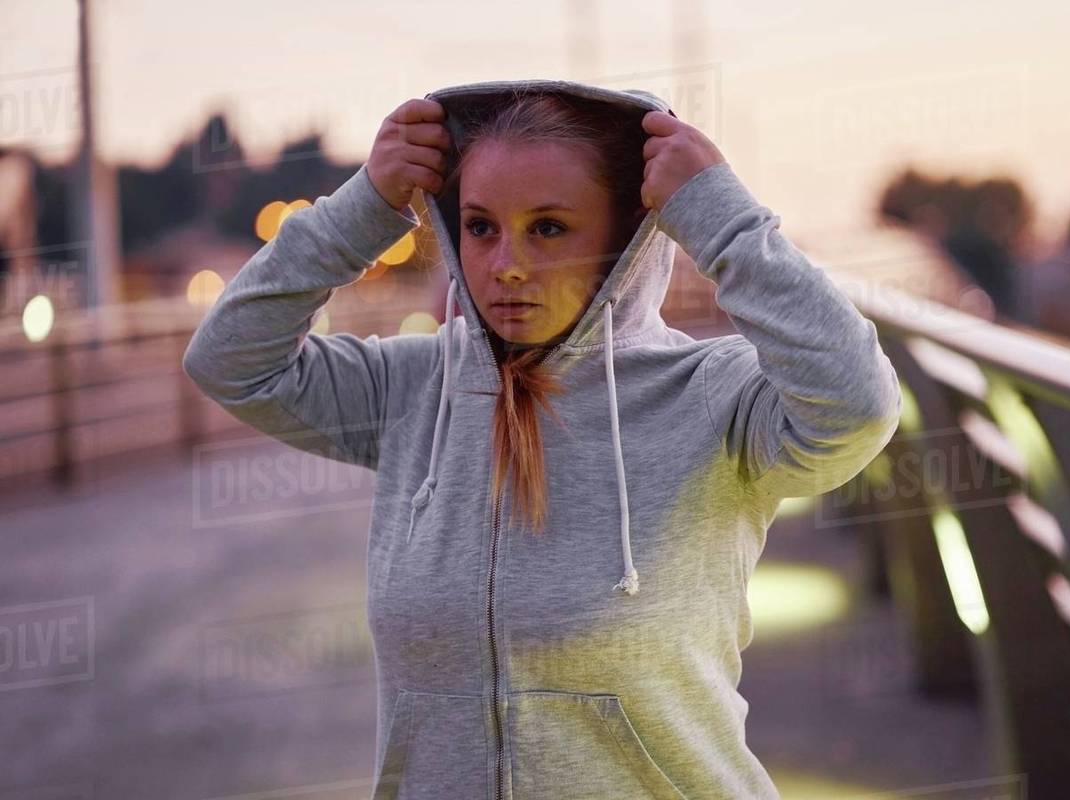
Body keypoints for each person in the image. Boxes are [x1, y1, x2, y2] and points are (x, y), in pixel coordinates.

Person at [182, 79, 902, 800]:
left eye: (549, 228)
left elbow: (858, 406)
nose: (507, 265)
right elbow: (230, 360)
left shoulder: (710, 395)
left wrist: (722, 219)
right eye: (480, 227)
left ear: (624, 241)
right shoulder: (414, 390)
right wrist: (365, 207)